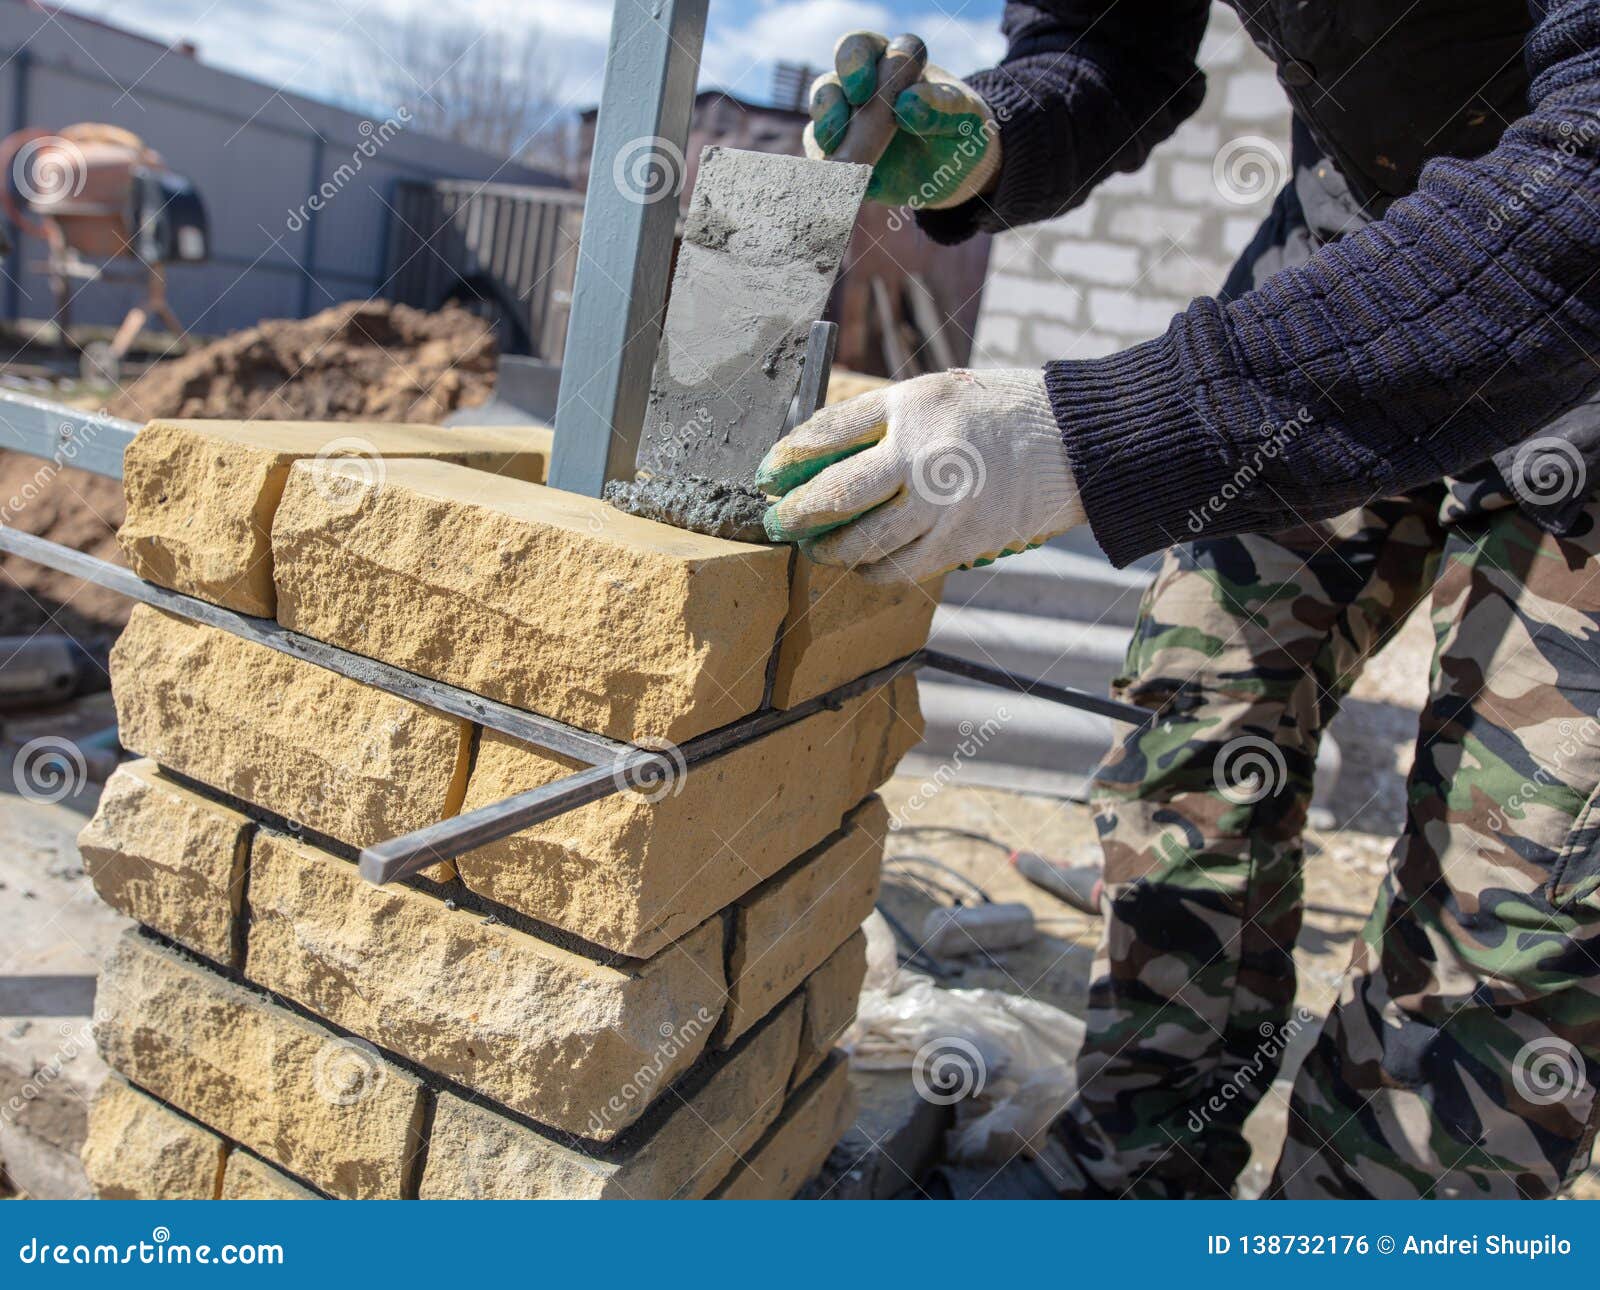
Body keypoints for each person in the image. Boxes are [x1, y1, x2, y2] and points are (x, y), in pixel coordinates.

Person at [759, 2, 1600, 1199]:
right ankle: (1133, 1173)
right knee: (1196, 728)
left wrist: (1090, 435)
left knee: (1507, 911)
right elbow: (1107, 49)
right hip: (1361, 262)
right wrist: (989, 138)